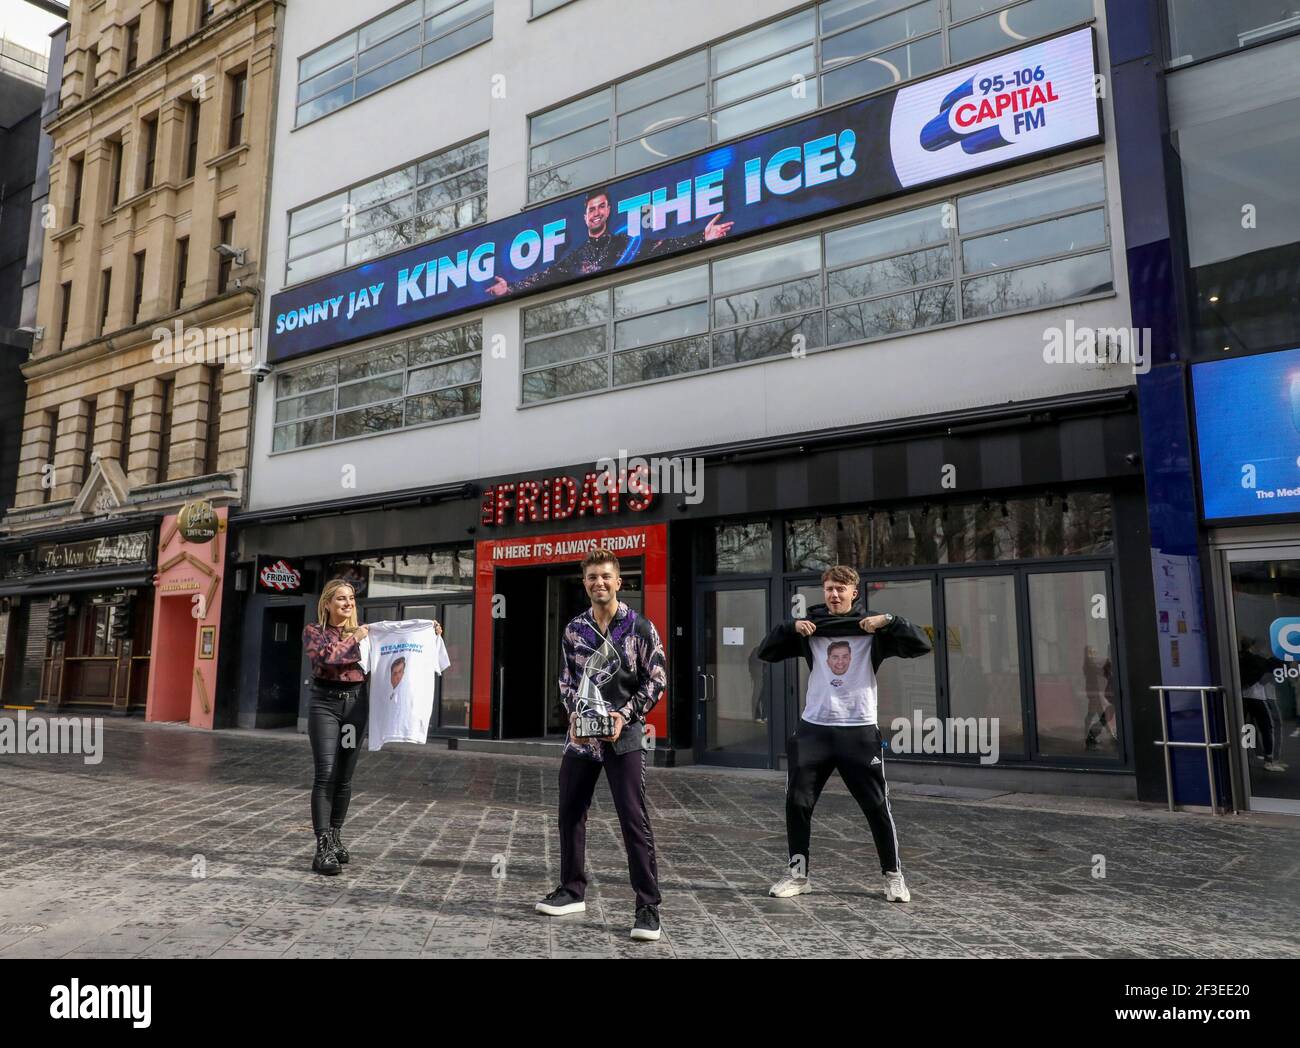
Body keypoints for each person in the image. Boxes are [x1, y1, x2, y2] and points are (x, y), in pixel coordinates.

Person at [758, 565, 931, 902]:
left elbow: (922, 644)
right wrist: (789, 627)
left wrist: (889, 621)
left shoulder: (873, 628)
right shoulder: (811, 628)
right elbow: (766, 651)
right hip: (814, 730)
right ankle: (798, 875)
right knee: (797, 802)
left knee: (876, 805)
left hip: (858, 730)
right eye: (828, 589)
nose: (834, 595)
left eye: (841, 589)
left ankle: (893, 875)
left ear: (855, 592)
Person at [535, 548, 668, 941]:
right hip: (581, 738)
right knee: (570, 811)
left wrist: (624, 715)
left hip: (624, 736)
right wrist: (574, 715)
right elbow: (566, 680)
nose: (599, 583)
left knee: (633, 819)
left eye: (606, 576)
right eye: (592, 577)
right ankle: (572, 889)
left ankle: (647, 907)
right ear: (585, 582)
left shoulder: (640, 627)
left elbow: (656, 680)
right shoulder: (575, 629)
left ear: (618, 581)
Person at [486, 187, 733, 297]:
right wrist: (511, 288)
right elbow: (546, 276)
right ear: (585, 217)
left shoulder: (624, 242)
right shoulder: (577, 256)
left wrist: (702, 236)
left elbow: (663, 246)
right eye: (591, 209)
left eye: (601, 207)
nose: (596, 213)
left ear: (608, 210)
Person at [301, 579, 370, 876]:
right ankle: (322, 847)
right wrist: (356, 638)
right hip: (325, 705)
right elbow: (328, 658)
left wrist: (428, 630)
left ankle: (337, 837)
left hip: (355, 706)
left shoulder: (366, 632)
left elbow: (398, 640)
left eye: (351, 598)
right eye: (341, 598)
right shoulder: (313, 632)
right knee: (326, 774)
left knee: (344, 777)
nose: (348, 603)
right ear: (327, 603)